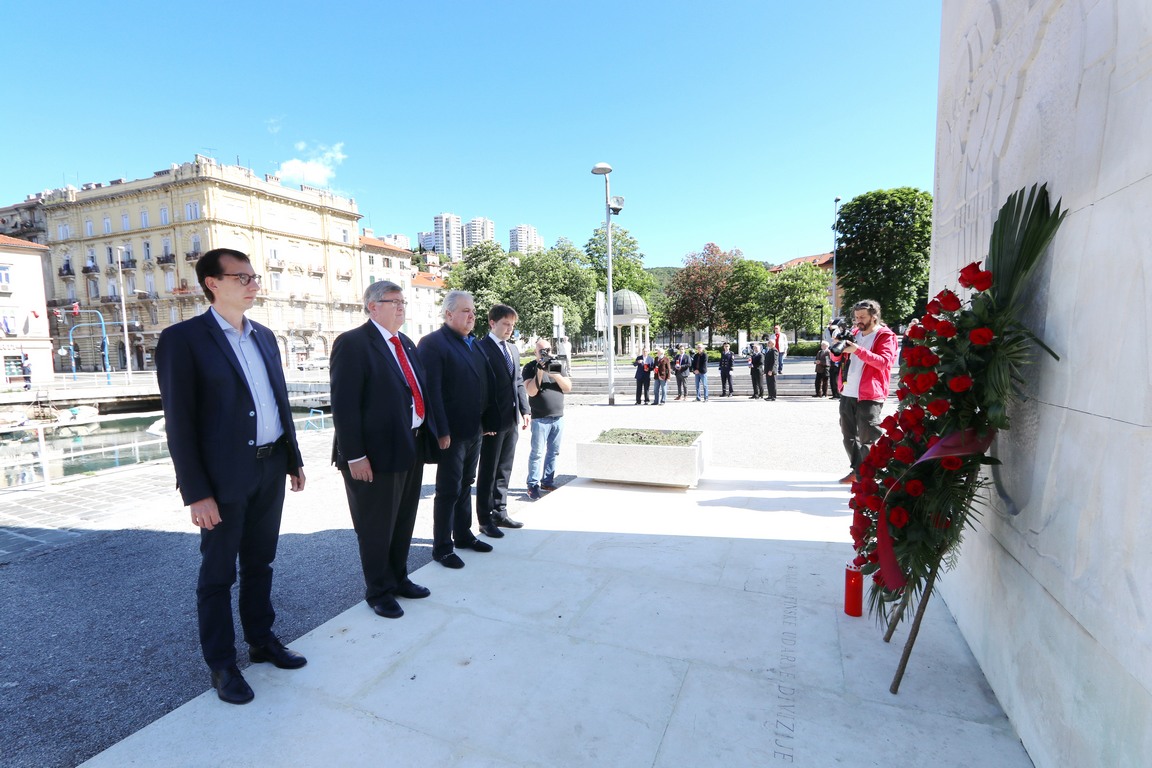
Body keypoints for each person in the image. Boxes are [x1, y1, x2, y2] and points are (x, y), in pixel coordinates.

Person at [155, 247, 306, 705]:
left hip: (271, 465)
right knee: (218, 575)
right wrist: (196, 493)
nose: (253, 283)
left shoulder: (263, 335)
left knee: (261, 563)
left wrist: (293, 457)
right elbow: (179, 423)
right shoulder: (183, 339)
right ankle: (222, 665)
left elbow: (279, 400)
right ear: (212, 284)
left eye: (254, 275)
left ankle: (261, 640)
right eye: (242, 277)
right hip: (222, 479)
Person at [330, 280, 439, 621]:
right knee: (376, 526)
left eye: (403, 302)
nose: (402, 307)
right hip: (372, 455)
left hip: (409, 444)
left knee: (403, 519)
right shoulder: (353, 344)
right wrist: (355, 455)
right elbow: (344, 406)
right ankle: (378, 590)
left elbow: (418, 389)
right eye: (394, 302)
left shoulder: (405, 343)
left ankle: (398, 577)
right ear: (373, 307)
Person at [418, 290, 498, 569]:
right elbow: (432, 392)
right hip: (450, 432)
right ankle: (442, 547)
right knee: (448, 490)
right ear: (448, 314)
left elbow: (482, 385)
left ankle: (463, 535)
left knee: (466, 484)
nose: (472, 316)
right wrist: (440, 431)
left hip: (473, 429)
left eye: (473, 311)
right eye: (466, 311)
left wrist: (486, 424)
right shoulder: (432, 344)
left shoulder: (473, 344)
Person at [476, 305, 530, 538]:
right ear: (492, 323)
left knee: (505, 468)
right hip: (491, 423)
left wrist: (525, 409)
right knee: (488, 469)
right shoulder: (480, 349)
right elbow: (479, 388)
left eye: (512, 325)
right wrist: (483, 422)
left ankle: (500, 510)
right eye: (505, 324)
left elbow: (518, 381)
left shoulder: (513, 350)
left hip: (511, 420)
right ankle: (485, 518)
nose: (509, 329)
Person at [838, 299, 899, 484]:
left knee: (868, 437)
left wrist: (858, 350)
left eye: (863, 317)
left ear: (874, 316)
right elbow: (838, 358)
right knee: (848, 437)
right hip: (848, 391)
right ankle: (857, 471)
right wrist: (837, 348)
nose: (858, 321)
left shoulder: (885, 336)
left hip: (870, 394)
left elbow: (883, 362)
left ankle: (868, 476)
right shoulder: (855, 333)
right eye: (856, 317)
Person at [523, 339, 571, 499]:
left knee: (553, 452)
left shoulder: (555, 364)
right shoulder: (530, 367)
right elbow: (530, 392)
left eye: (548, 350)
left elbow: (568, 387)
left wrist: (554, 374)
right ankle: (532, 485)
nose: (545, 354)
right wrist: (540, 372)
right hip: (540, 418)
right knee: (537, 453)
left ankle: (547, 481)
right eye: (541, 351)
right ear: (535, 352)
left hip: (558, 417)